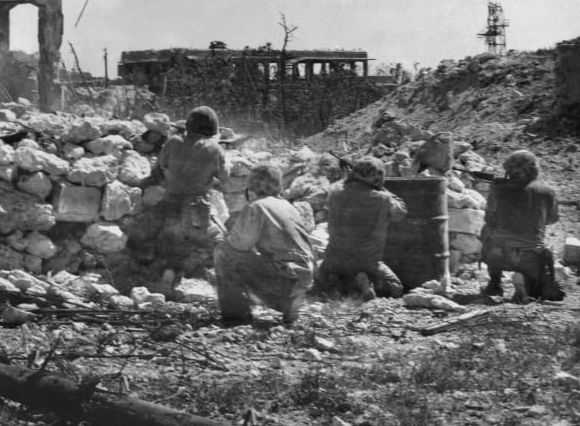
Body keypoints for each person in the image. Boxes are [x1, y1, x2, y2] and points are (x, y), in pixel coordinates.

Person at [128, 106, 229, 277]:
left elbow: (159, 168)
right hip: (196, 213)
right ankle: (188, 267)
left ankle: (153, 266)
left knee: (153, 239)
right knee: (221, 240)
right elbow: (224, 179)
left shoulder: (173, 142)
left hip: (168, 207)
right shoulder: (215, 150)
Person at [214, 165, 314, 326]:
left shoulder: (256, 206)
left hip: (283, 280)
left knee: (224, 252)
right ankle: (291, 301)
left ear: (253, 185)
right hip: (302, 278)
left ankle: (236, 318)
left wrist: (228, 237)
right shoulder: (288, 206)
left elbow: (239, 245)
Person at [318, 156, 407, 301]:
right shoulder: (382, 199)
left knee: (324, 268)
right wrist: (381, 188)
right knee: (395, 287)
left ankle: (336, 283)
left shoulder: (334, 193)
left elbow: (343, 191)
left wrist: (351, 179)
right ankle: (365, 282)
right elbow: (401, 211)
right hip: (365, 261)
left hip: (333, 260)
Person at [481, 150, 563, 303]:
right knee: (543, 248)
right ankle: (527, 281)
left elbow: (489, 219)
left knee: (486, 230)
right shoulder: (547, 192)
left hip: (500, 256)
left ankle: (494, 283)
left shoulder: (498, 190)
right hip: (531, 259)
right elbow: (552, 220)